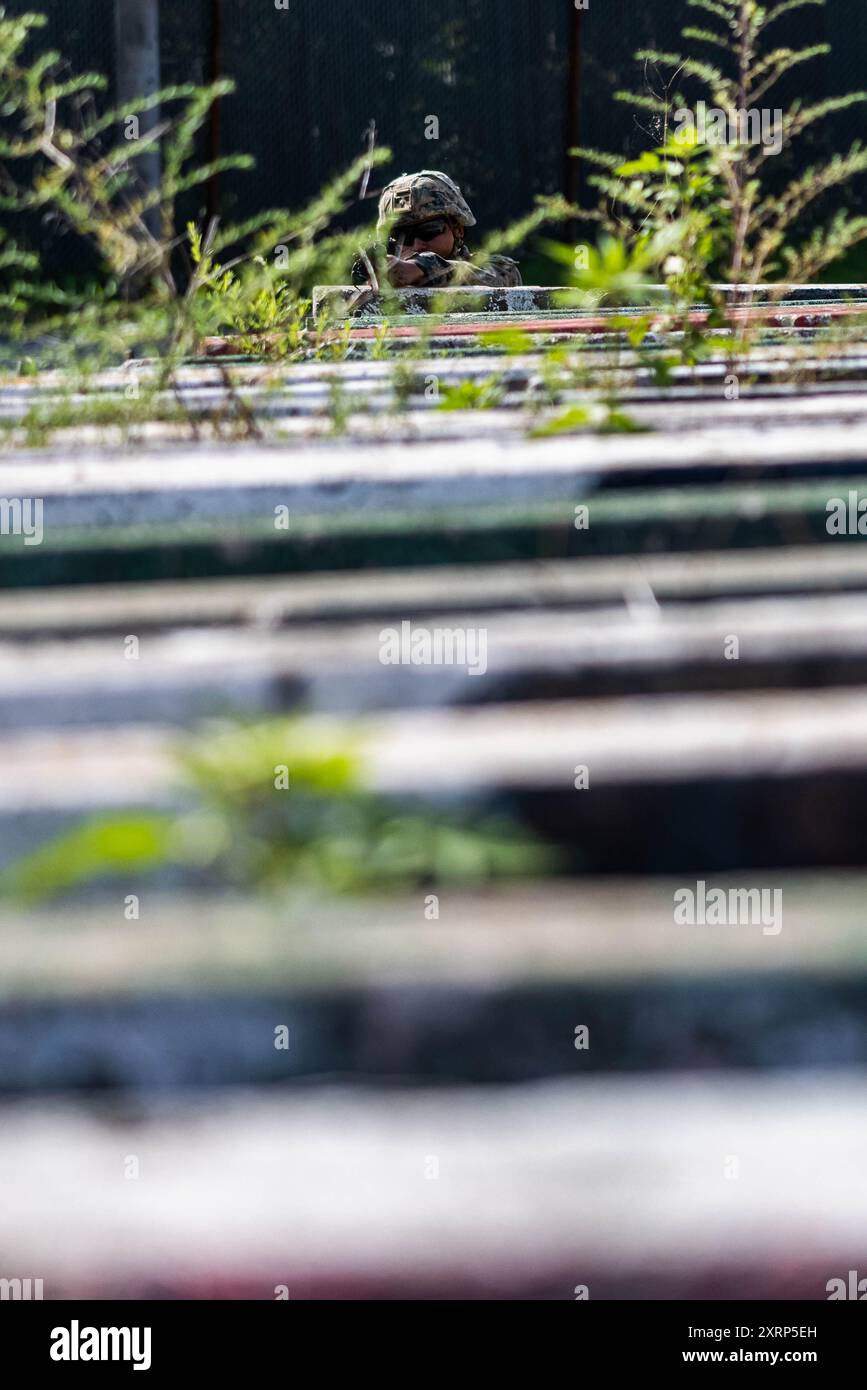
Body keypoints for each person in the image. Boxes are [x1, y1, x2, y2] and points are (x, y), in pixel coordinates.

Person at [350, 170, 521, 307]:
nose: (416, 244)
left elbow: (502, 277)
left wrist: (421, 268)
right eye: (401, 236)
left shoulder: (498, 270)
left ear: (458, 230)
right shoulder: (386, 282)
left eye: (428, 230)